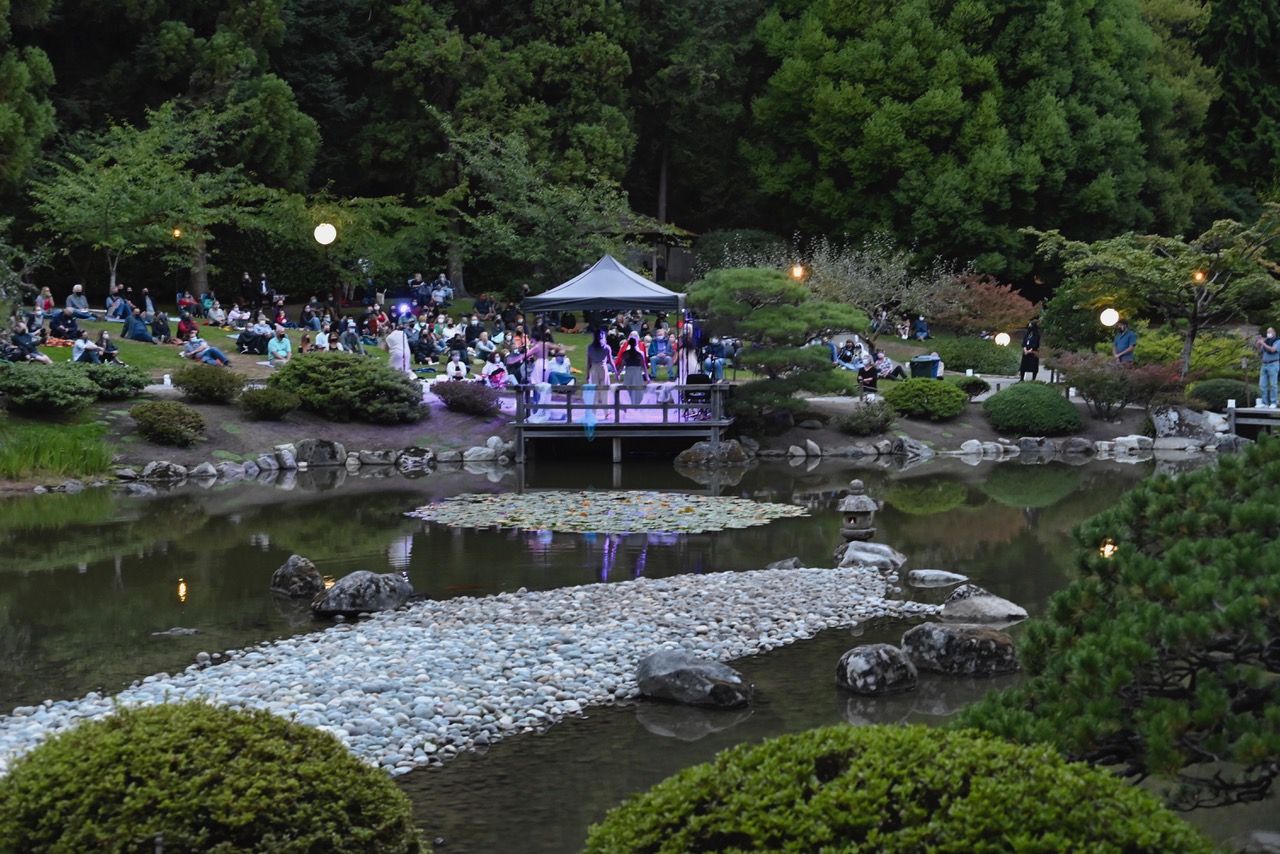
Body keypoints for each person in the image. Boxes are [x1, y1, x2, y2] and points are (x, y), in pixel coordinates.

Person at [1258, 326, 1279, 408]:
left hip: (1273, 364)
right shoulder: (1266, 341)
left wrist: (1263, 343)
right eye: (1267, 332)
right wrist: (1259, 345)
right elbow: (1260, 352)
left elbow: (1272, 349)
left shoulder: (1278, 341)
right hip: (1264, 364)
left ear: (1274, 333)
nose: (1268, 334)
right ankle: (1264, 402)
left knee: (1273, 384)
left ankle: (1273, 402)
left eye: (1270, 332)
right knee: (1262, 384)